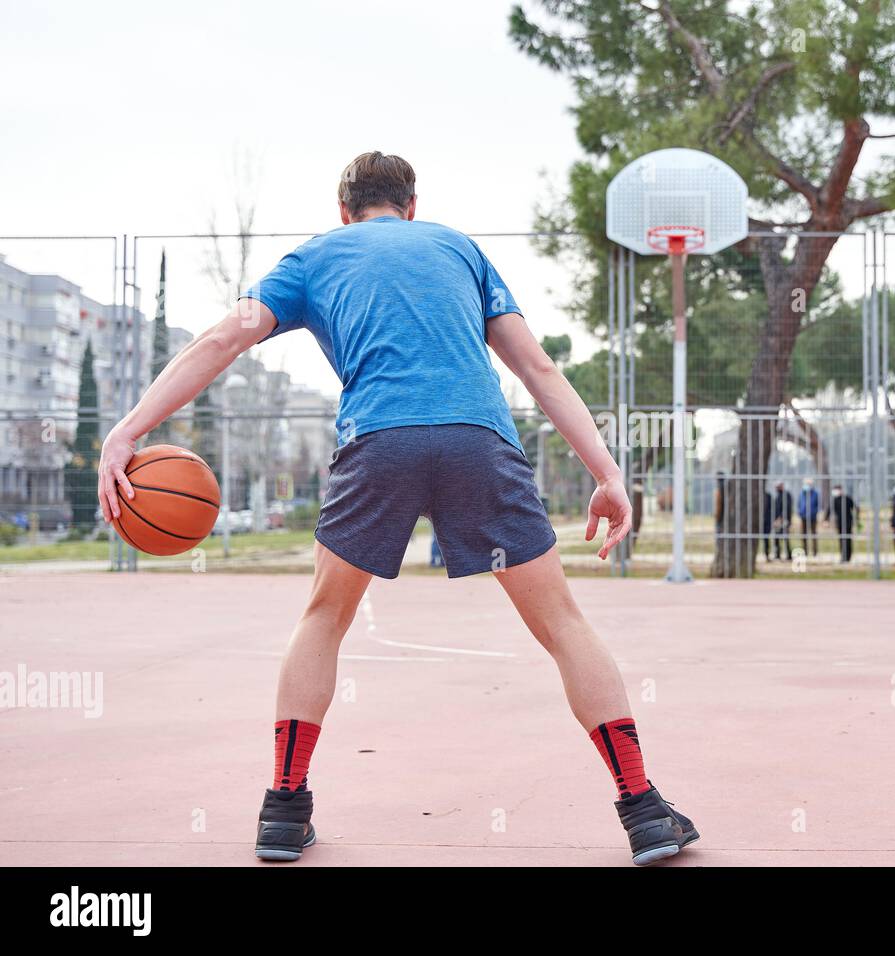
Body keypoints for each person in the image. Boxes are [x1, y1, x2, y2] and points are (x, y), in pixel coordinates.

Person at [96, 152, 696, 867]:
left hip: (378, 440)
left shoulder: (316, 256)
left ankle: (284, 811)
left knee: (324, 616)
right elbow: (535, 366)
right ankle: (644, 812)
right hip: (479, 438)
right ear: (411, 206)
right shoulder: (458, 247)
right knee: (562, 623)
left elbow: (224, 338)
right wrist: (606, 470)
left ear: (344, 210)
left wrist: (128, 429)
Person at [829, 484, 857, 563]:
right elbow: (830, 510)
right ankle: (843, 557)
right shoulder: (835, 500)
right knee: (841, 540)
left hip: (848, 522)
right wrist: (826, 519)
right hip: (839, 523)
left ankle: (848, 556)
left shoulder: (847, 498)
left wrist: (857, 519)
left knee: (848, 539)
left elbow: (855, 507)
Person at [771, 480, 794, 561]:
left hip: (784, 520)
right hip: (777, 521)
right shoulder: (778, 495)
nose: (776, 488)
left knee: (785, 537)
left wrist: (781, 518)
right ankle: (777, 555)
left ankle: (789, 555)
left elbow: (787, 508)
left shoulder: (786, 495)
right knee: (776, 538)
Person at [797, 478, 819, 557]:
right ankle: (805, 551)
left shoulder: (815, 493)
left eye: (809, 484)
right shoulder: (802, 493)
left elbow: (818, 505)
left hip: (812, 517)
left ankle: (815, 552)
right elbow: (799, 503)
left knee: (813, 535)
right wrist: (799, 512)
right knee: (803, 535)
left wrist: (814, 512)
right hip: (803, 516)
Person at [762, 487, 773, 560]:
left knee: (766, 538)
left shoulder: (768, 496)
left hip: (767, 520)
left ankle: (767, 554)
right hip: (759, 521)